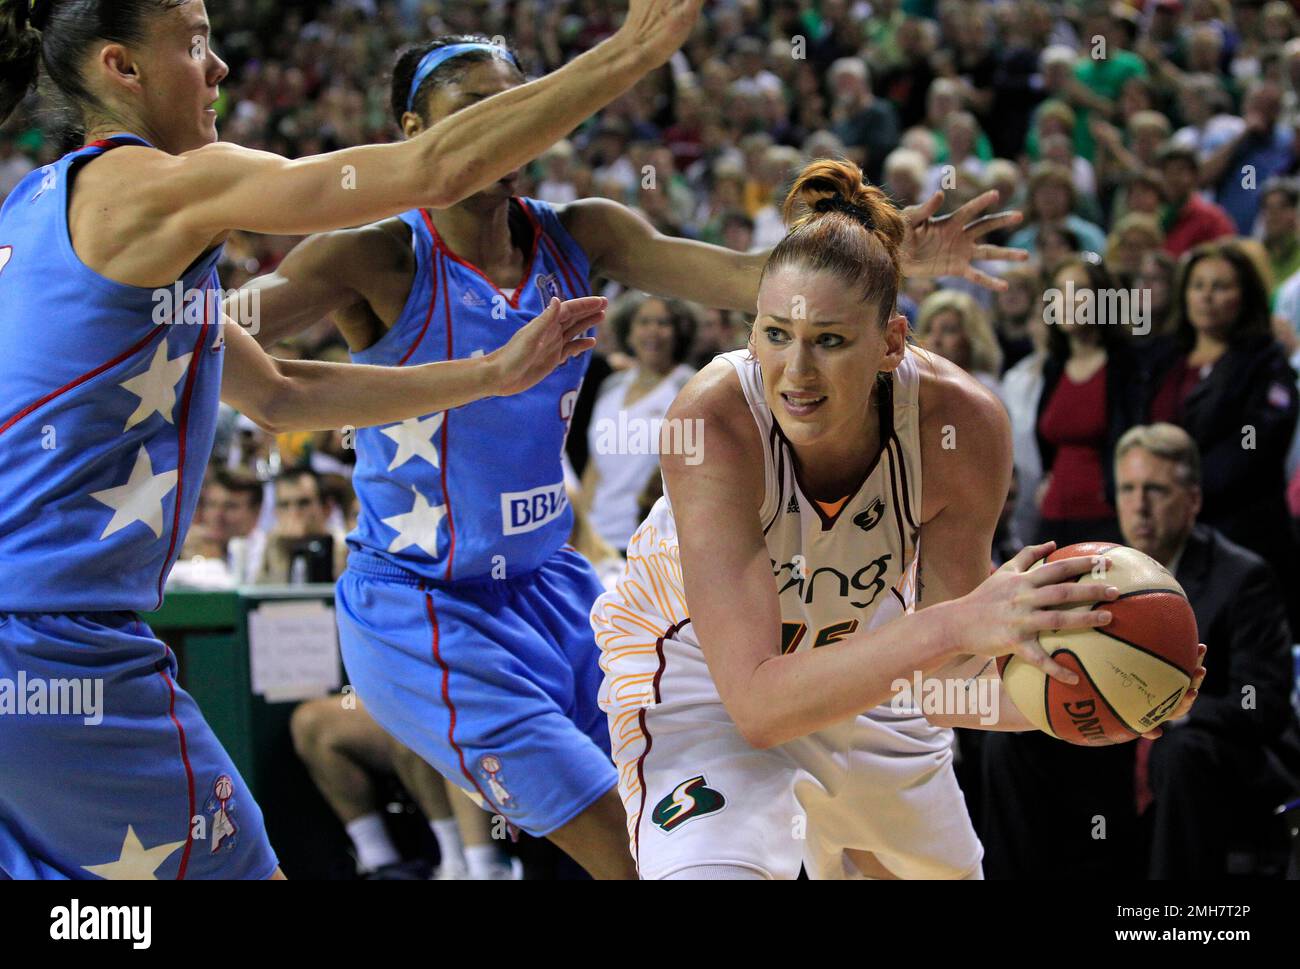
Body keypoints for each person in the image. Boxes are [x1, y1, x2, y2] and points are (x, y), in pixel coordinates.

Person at [238, 31, 1026, 879]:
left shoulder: (582, 234)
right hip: (424, 604)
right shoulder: (377, 254)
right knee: (630, 846)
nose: (509, 127)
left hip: (555, 587)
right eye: (477, 111)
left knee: (725, 811)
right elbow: (212, 332)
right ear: (411, 130)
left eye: (519, 106)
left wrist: (879, 255)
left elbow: (744, 279)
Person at [0, 0, 699, 881]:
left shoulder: (37, 203)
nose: (218, 68)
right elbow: (435, 167)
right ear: (121, 68)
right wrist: (631, 50)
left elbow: (285, 393)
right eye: (195, 42)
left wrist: (488, 376)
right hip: (49, 644)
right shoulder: (148, 186)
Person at [591, 159, 1204, 880]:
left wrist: (1090, 692)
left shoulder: (960, 423)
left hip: (867, 665)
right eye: (775, 334)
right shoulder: (714, 420)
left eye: (829, 339)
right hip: (704, 681)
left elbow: (945, 678)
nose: (795, 372)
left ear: (890, 343)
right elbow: (758, 704)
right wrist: (956, 624)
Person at [1113, 424, 1295, 878]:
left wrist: (1169, 712)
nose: (1139, 506)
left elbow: (1263, 705)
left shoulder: (1242, 578)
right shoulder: (1098, 572)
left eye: (1155, 489)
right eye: (1128, 489)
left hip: (1230, 758)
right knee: (1018, 747)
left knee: (1179, 751)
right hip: (1126, 745)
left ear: (1193, 501)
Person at [1147, 240, 1300, 628]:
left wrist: (1182, 491)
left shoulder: (1266, 363)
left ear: (1244, 296)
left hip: (1240, 532)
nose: (1207, 297)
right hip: (1162, 535)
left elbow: (1255, 446)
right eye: (1198, 285)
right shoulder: (1162, 359)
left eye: (1221, 286)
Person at [290, 695, 514, 879]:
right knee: (311, 722)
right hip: (413, 698)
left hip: (486, 705)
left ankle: (486, 868)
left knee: (433, 718)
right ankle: (382, 864)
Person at [581, 294, 697, 552]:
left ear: (679, 332)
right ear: (629, 332)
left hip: (654, 544)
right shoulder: (611, 386)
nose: (652, 331)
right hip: (598, 541)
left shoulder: (690, 388)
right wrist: (584, 534)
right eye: (643, 322)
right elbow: (594, 468)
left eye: (663, 323)